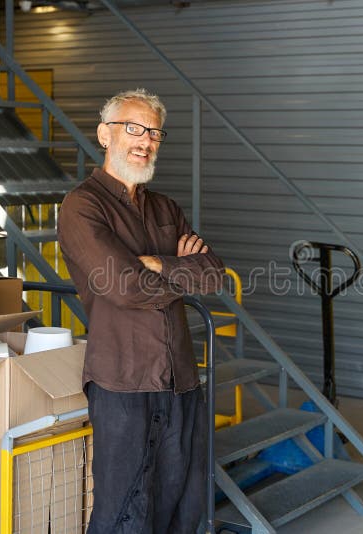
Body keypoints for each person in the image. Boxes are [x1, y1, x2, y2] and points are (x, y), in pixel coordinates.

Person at [58, 88, 224, 534]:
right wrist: (180, 269)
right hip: (123, 382)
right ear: (104, 135)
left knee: (182, 504)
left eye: (154, 132)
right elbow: (124, 286)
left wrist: (157, 264)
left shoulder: (166, 208)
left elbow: (213, 275)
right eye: (133, 128)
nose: (145, 140)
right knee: (124, 510)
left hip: (180, 381)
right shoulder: (83, 206)